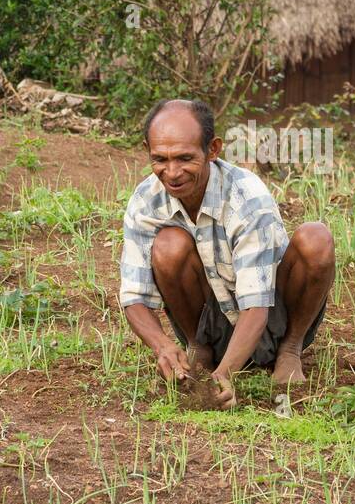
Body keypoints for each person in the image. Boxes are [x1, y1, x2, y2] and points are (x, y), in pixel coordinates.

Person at [119, 97, 335, 409]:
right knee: (168, 245)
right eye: (160, 159)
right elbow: (133, 296)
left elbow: (256, 305)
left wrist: (224, 375)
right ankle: (199, 348)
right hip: (212, 321)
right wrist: (162, 346)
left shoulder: (246, 196)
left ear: (213, 150)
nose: (172, 172)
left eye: (184, 158)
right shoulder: (145, 200)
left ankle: (290, 350)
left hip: (272, 317)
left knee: (316, 238)